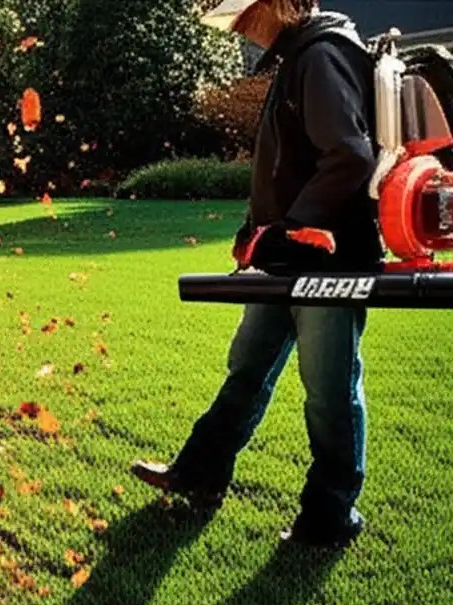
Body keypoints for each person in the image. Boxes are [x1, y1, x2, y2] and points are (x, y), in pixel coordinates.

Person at [131, 0, 384, 548]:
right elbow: (282, 164)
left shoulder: (322, 56)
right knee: (246, 369)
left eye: (245, 11)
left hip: (328, 262)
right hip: (283, 260)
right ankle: (201, 474)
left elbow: (349, 156)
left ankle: (330, 517)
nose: (238, 24)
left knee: (329, 393)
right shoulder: (294, 57)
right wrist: (256, 233)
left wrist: (292, 226)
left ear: (279, 3)